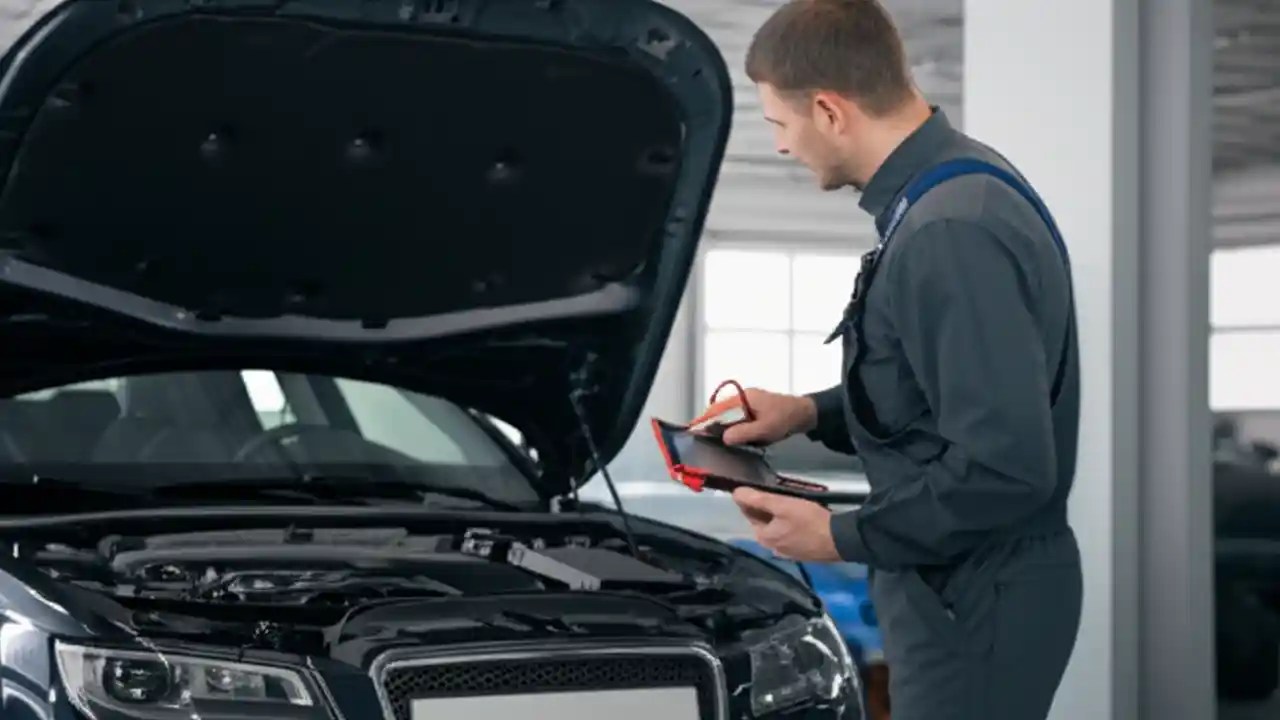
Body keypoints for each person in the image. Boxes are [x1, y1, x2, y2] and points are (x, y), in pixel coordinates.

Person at [702, 1, 1084, 719]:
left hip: (970, 597)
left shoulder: (950, 230)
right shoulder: (953, 189)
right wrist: (805, 412)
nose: (780, 146)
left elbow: (1005, 466)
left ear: (829, 111)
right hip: (958, 585)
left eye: (780, 124)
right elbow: (933, 393)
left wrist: (836, 536)